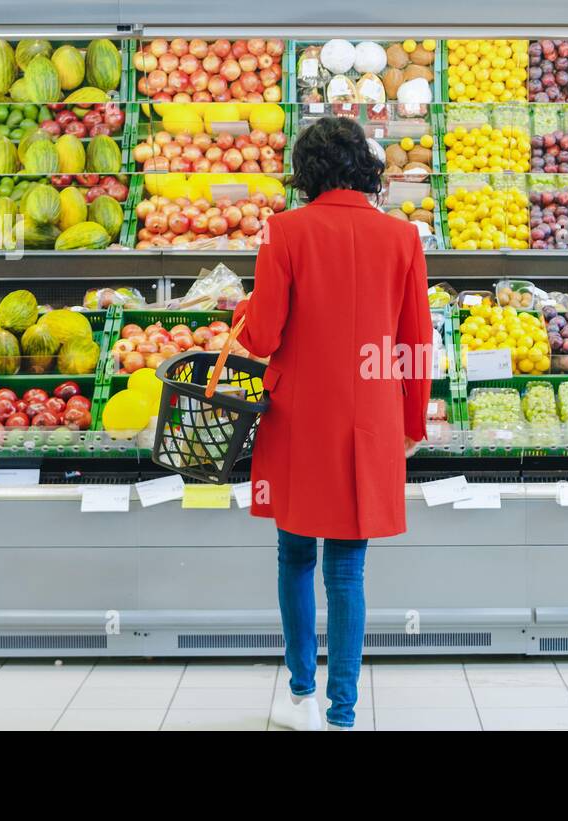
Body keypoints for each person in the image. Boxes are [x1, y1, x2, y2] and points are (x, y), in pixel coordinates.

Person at [231, 116, 432, 731]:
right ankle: (343, 715)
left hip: (298, 420)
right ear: (366, 169)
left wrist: (241, 308)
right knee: (349, 569)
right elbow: (415, 341)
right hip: (370, 417)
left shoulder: (284, 232)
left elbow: (262, 335)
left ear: (308, 171)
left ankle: (300, 698)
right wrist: (411, 422)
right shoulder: (403, 239)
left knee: (295, 557)